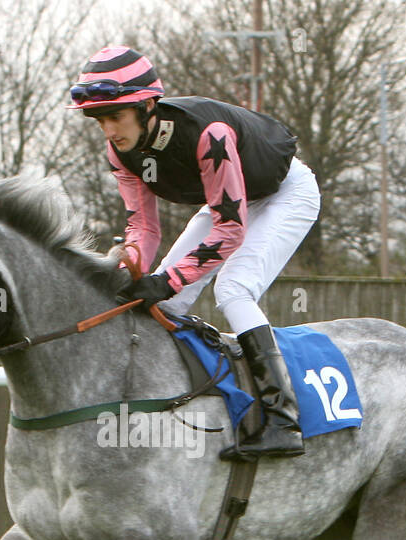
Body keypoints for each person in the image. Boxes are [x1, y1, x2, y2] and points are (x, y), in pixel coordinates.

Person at [68, 45, 321, 459]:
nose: (109, 131)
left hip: (284, 194)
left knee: (234, 289)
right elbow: (143, 227)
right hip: (229, 199)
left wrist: (164, 280)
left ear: (148, 106)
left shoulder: (209, 134)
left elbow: (230, 231)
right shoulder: (120, 152)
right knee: (169, 305)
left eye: (116, 117)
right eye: (100, 121)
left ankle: (282, 420)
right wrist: (130, 269)